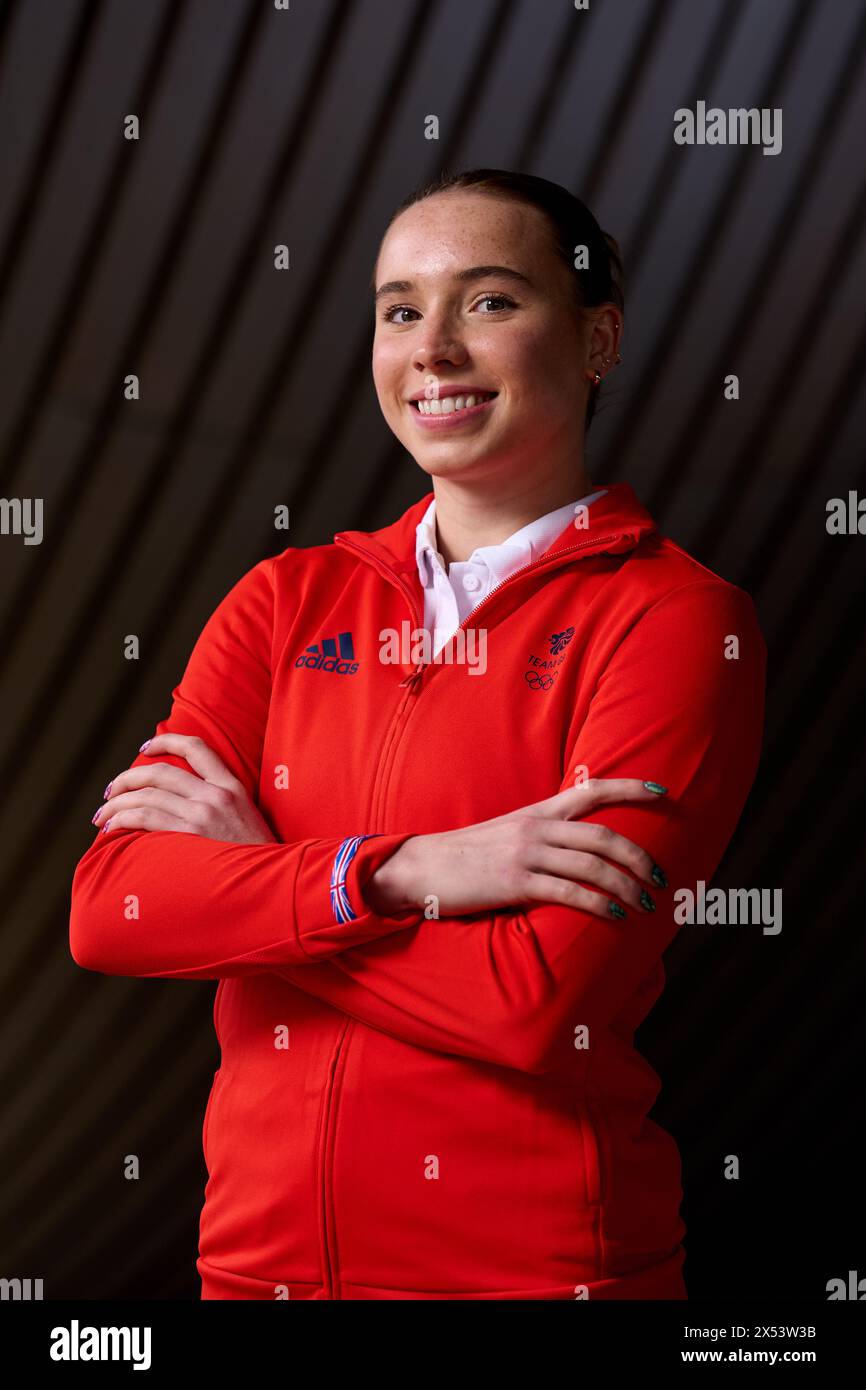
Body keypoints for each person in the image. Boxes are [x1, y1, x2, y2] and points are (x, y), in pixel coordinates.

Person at [69, 168, 766, 1300]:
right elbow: (115, 909)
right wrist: (403, 874)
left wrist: (251, 882)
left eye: (488, 302)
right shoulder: (284, 600)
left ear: (596, 341)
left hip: (533, 1277)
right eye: (401, 310)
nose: (432, 349)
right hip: (257, 1272)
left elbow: (539, 1002)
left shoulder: (675, 622)